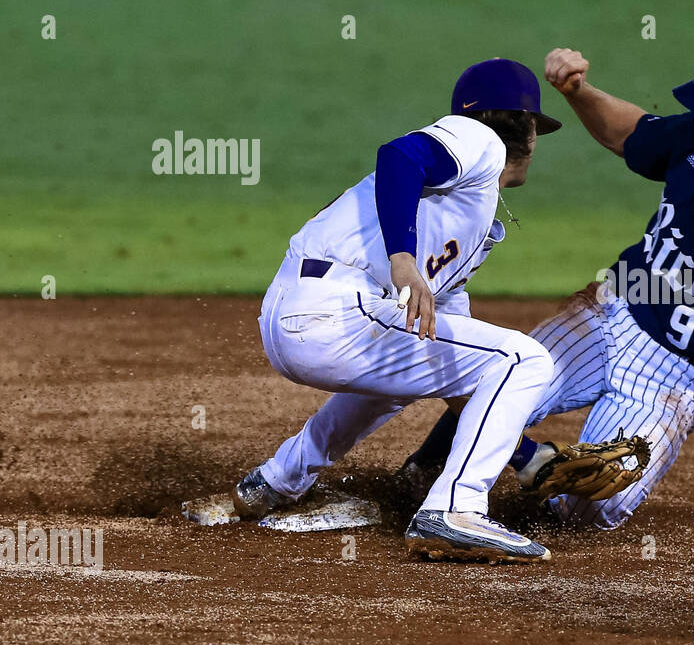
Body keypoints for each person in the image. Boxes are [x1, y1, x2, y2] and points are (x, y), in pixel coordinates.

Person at [403, 36, 694, 529]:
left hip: (671, 376)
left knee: (591, 507)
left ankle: (522, 491)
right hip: (606, 312)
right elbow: (629, 134)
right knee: (496, 382)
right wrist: (578, 91)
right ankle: (421, 474)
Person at [231, 58, 579, 563]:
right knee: (528, 359)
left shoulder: (471, 225)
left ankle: (275, 481)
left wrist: (528, 458)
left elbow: (456, 373)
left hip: (305, 317)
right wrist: (403, 260)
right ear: (521, 125)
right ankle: (455, 508)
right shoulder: (478, 139)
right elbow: (399, 156)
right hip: (335, 308)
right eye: (536, 127)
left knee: (420, 366)